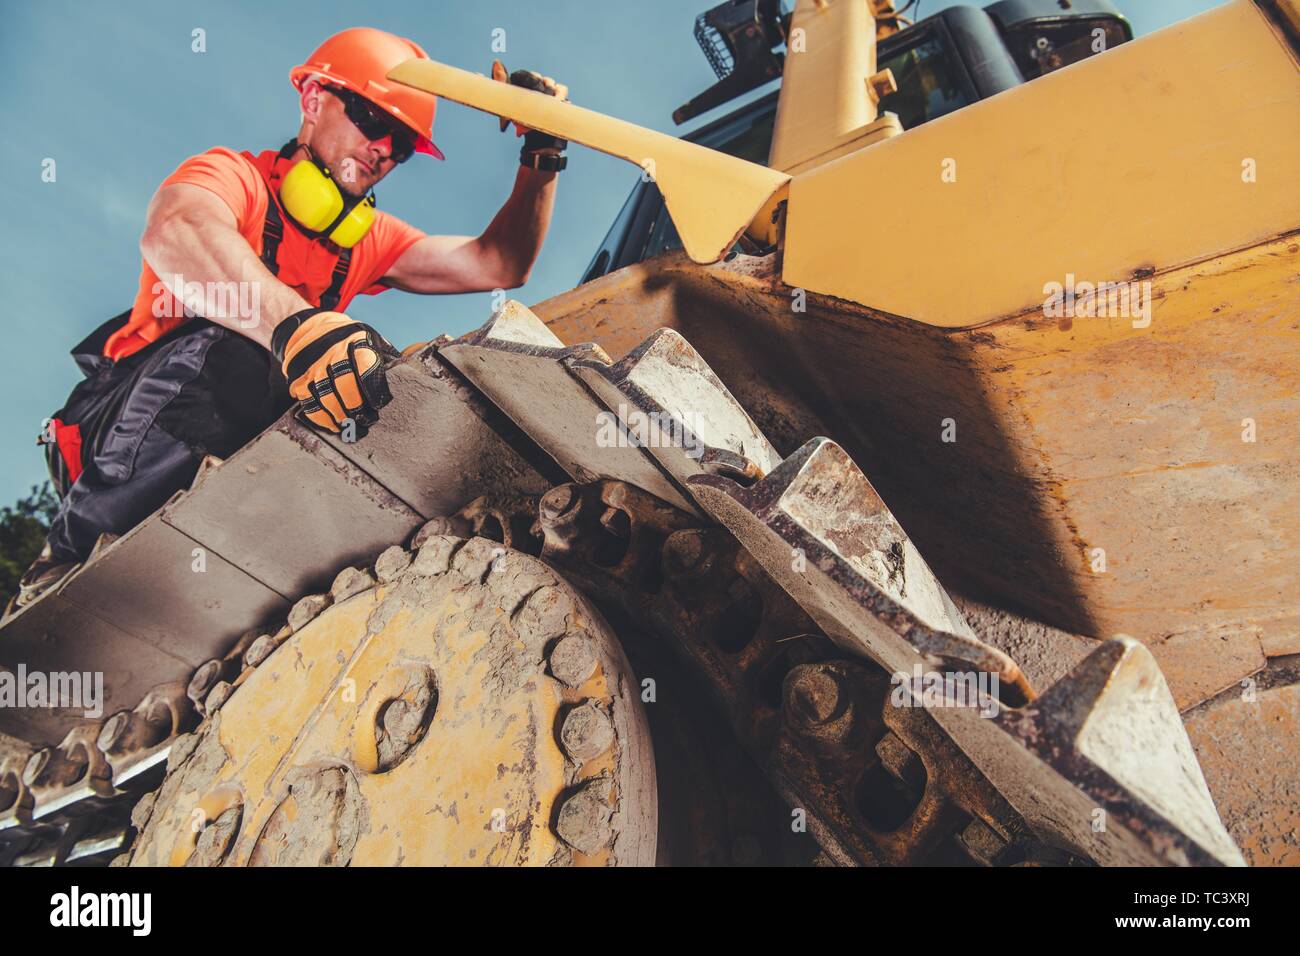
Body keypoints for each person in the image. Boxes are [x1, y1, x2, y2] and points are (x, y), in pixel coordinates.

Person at [15, 27, 568, 610]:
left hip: (241, 432)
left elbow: (500, 262)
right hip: (128, 423)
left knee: (373, 368)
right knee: (242, 349)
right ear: (312, 100)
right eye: (370, 118)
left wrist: (543, 155)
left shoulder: (364, 242)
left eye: (400, 143)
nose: (382, 148)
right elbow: (176, 230)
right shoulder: (237, 177)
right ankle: (65, 559)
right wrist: (295, 327)